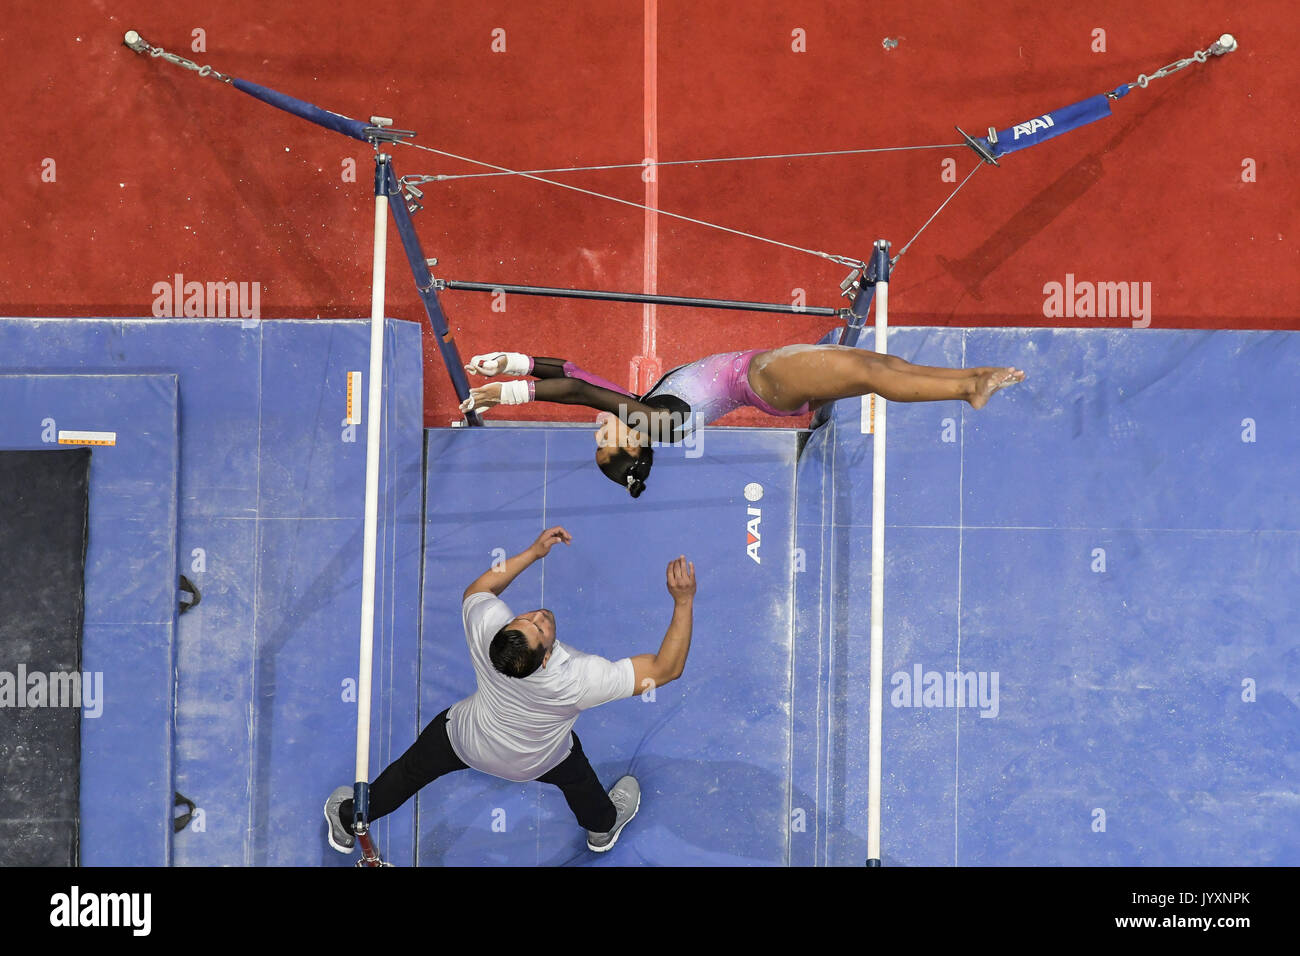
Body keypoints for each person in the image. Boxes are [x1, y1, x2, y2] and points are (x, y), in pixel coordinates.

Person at [325, 526, 697, 855]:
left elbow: (479, 589)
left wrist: (533, 553)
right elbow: (667, 669)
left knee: (409, 772)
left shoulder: (488, 631)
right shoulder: (578, 680)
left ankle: (347, 819)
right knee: (578, 777)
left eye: (529, 620)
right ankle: (602, 829)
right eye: (537, 627)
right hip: (538, 759)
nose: (538, 616)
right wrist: (683, 601)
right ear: (548, 658)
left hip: (466, 739)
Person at [458, 345, 1025, 497]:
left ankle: (967, 381)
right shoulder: (657, 424)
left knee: (875, 367)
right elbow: (581, 392)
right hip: (767, 379)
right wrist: (509, 393)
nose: (600, 427)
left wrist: (512, 363)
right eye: (605, 437)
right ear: (631, 445)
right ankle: (968, 387)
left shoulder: (643, 409)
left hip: (769, 373)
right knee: (872, 372)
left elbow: (573, 371)